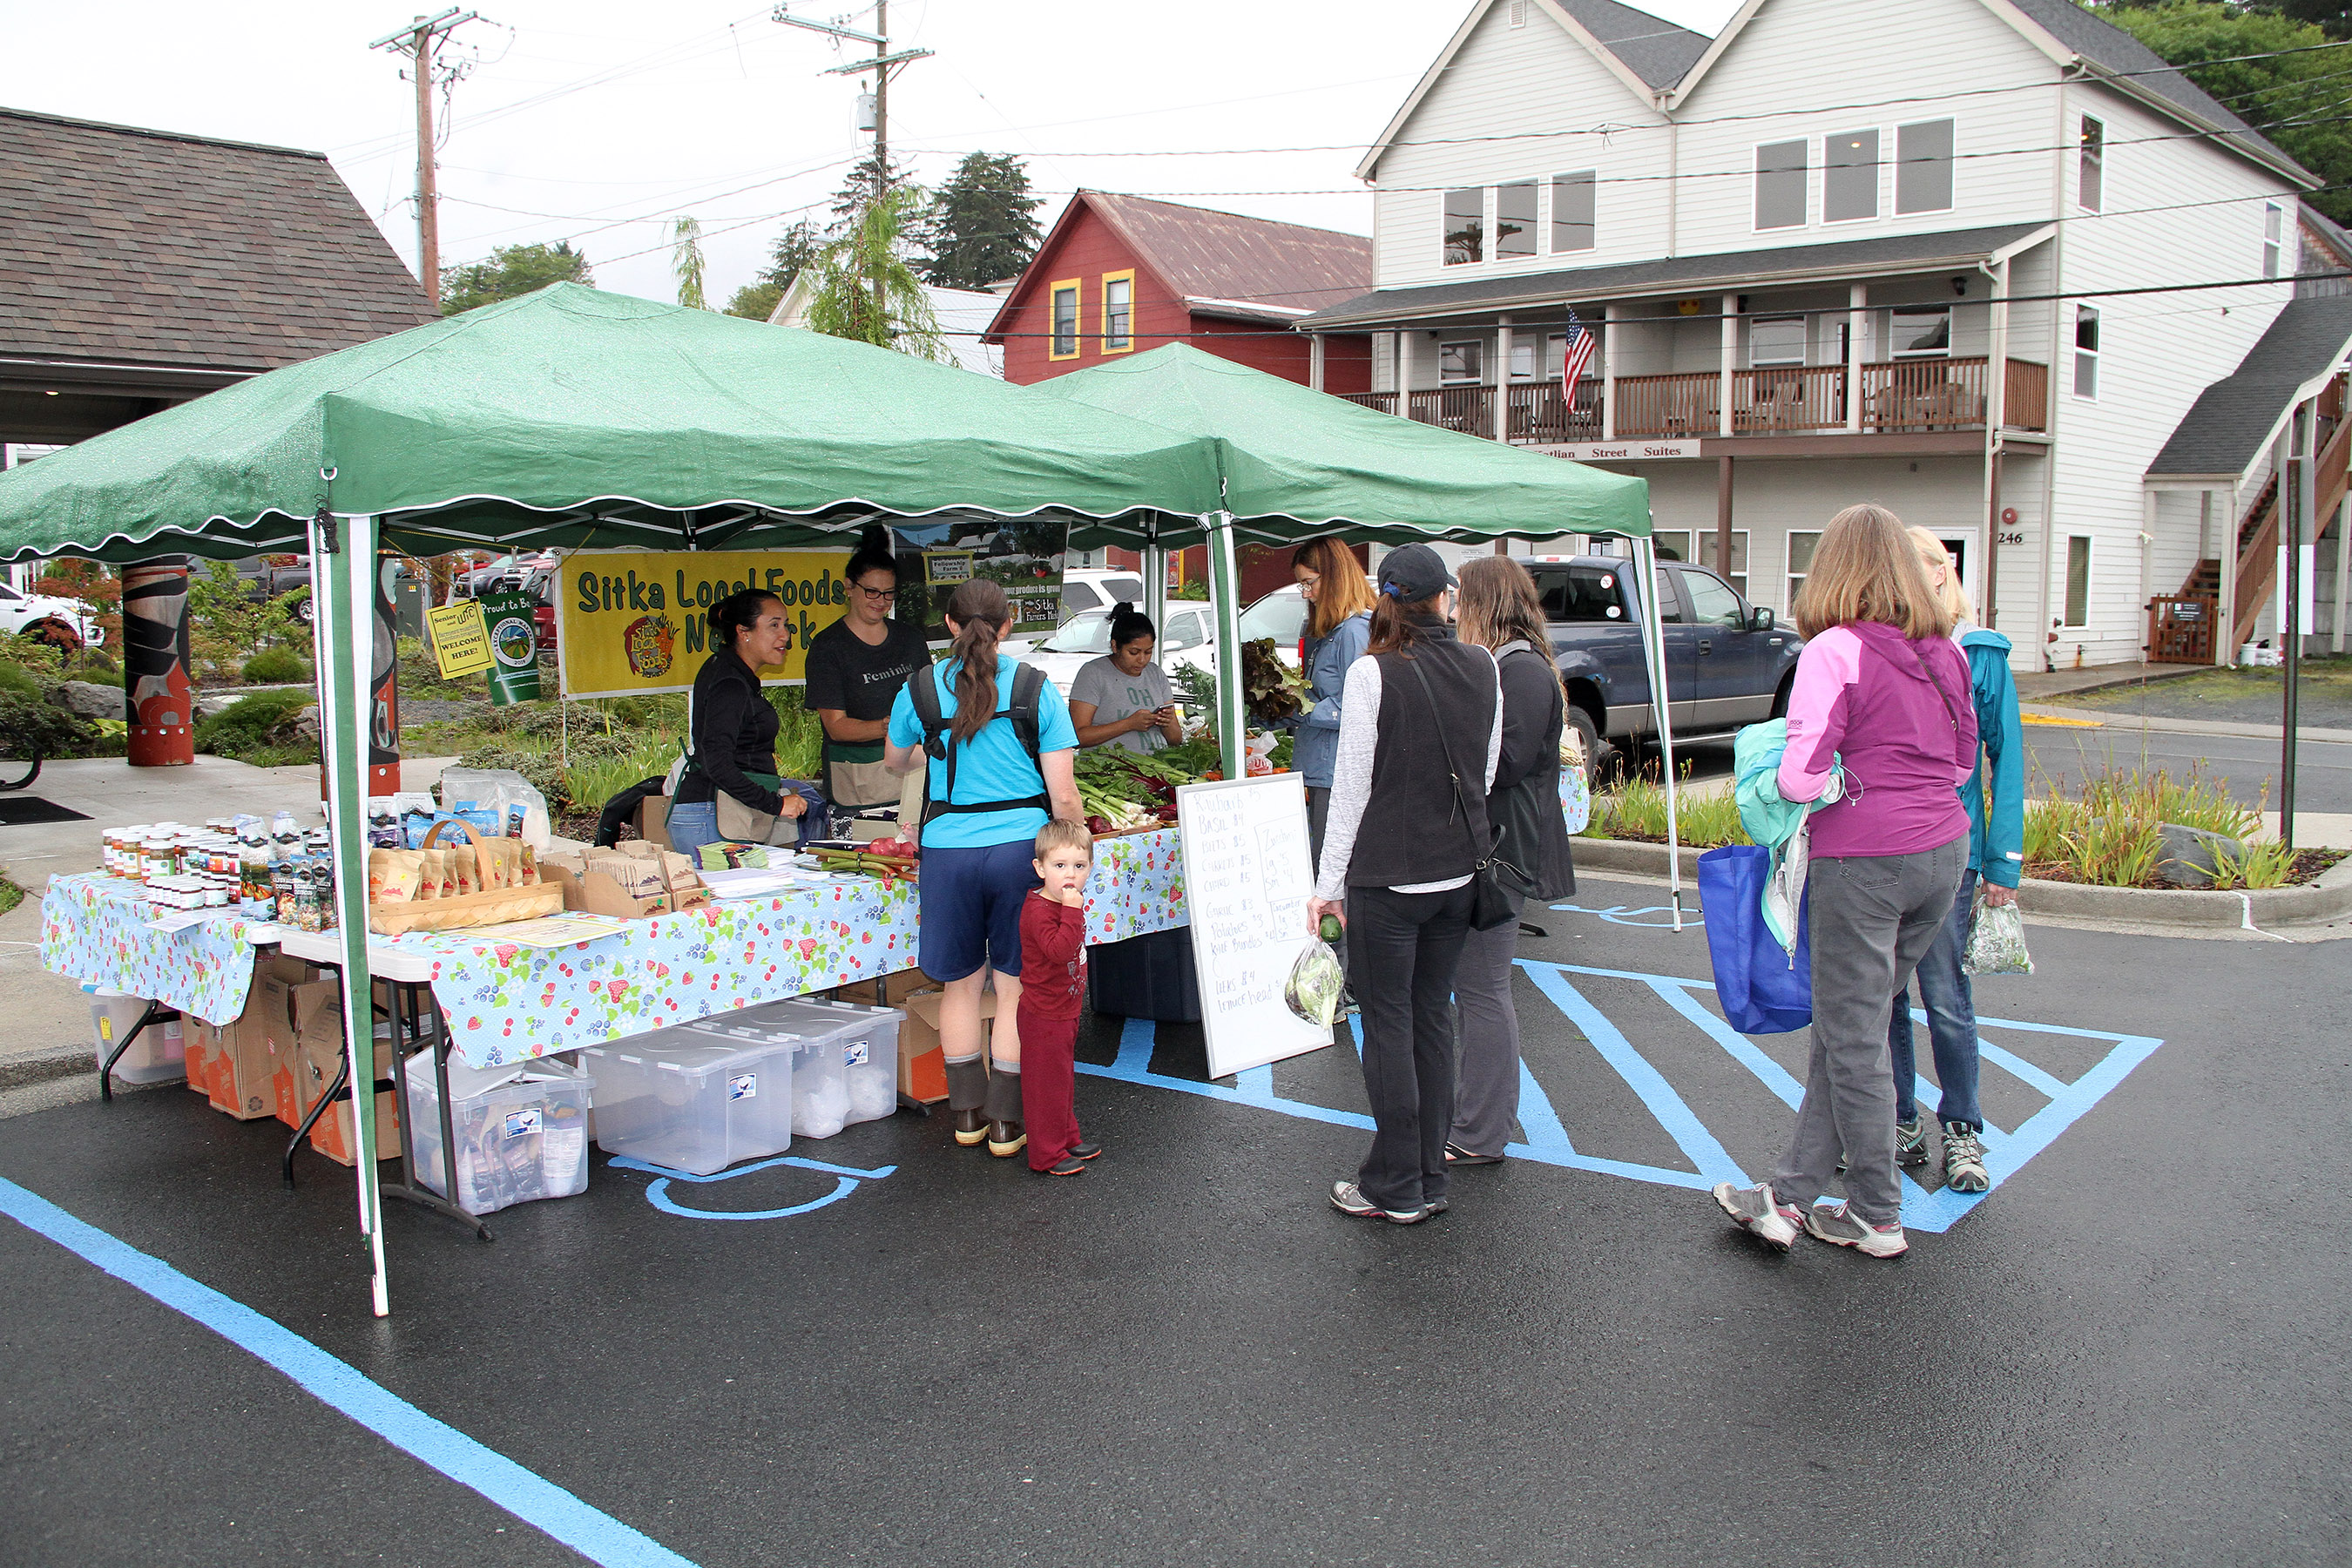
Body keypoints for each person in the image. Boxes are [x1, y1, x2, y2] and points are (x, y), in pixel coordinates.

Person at [1713, 504, 1977, 1260]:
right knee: (1848, 1028)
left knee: (1853, 1039)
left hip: (1862, 861)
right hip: (1942, 852)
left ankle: (1875, 1213)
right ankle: (1787, 1197)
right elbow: (1963, 762)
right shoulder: (1945, 651)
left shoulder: (1834, 649)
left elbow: (1801, 776)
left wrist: (1790, 777)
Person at [1307, 543, 1503, 1225]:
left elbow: (1351, 790)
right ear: (1443, 598)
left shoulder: (1373, 672)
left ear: (1386, 601)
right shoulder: (1483, 665)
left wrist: (1327, 886)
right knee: (1431, 1020)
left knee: (1389, 1025)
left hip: (1387, 881)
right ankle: (1427, 1178)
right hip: (1457, 874)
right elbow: (1484, 772)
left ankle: (1395, 1186)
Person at [884, 578, 1084, 1158]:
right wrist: (1074, 860)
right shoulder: (1034, 687)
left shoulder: (920, 688)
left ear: (949, 624)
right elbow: (1064, 796)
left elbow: (895, 762)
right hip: (1021, 851)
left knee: (962, 984)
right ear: (1007, 626)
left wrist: (933, 742)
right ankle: (1005, 1123)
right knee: (1016, 987)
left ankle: (967, 1116)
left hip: (948, 850)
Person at [1886, 527, 2023, 1195]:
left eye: (1917, 565)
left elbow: (2007, 759)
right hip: (1881, 850)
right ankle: (1901, 1121)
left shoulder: (1980, 653)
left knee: (1944, 996)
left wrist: (2004, 863)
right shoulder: (1881, 647)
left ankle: (1962, 1129)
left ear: (1942, 573)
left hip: (1952, 852)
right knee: (1884, 996)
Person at [1447, 556, 1578, 1168]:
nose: (1453, 610)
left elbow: (1503, 764)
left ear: (1484, 604)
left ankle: (1479, 1132)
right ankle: (1477, 1122)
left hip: (1503, 852)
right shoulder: (1512, 665)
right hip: (1497, 847)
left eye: (1460, 599)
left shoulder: (1520, 671)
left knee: (1481, 988)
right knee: (1476, 988)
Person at [668, 589, 808, 862]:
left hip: (722, 811)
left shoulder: (731, 672)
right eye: (774, 625)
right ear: (744, 632)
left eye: (786, 625)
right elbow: (715, 762)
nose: (785, 635)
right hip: (713, 814)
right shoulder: (730, 683)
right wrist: (776, 804)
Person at [804, 525, 930, 812]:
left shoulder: (911, 638)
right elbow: (836, 726)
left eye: (889, 594)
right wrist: (888, 727)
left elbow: (928, 701)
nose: (881, 602)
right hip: (858, 782)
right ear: (849, 587)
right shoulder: (828, 646)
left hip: (914, 774)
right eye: (872, 592)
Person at [1017, 817, 1105, 1176]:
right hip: (1043, 1013)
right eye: (1059, 866)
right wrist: (1072, 911)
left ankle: (1067, 1136)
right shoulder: (1039, 910)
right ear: (1040, 868)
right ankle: (1046, 1154)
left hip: (1064, 1007)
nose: (1070, 875)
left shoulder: (1064, 904)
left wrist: (1070, 909)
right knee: (1045, 1087)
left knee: (1063, 1078)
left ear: (1090, 867)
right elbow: (1059, 951)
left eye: (1079, 866)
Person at [1291, 537, 1377, 864]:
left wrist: (1303, 708)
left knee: (1330, 867)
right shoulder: (1336, 631)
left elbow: (1359, 709)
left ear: (1334, 577)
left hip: (1337, 774)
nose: (1306, 594)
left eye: (1309, 583)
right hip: (1322, 770)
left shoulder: (1355, 632)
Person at [1067, 602, 1183, 753]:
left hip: (1158, 763)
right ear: (1115, 646)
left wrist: (1166, 723)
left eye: (1148, 652)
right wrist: (1128, 724)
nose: (1142, 660)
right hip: (1110, 765)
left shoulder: (1156, 674)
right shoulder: (1093, 673)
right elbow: (1076, 737)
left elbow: (1176, 739)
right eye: (1134, 652)